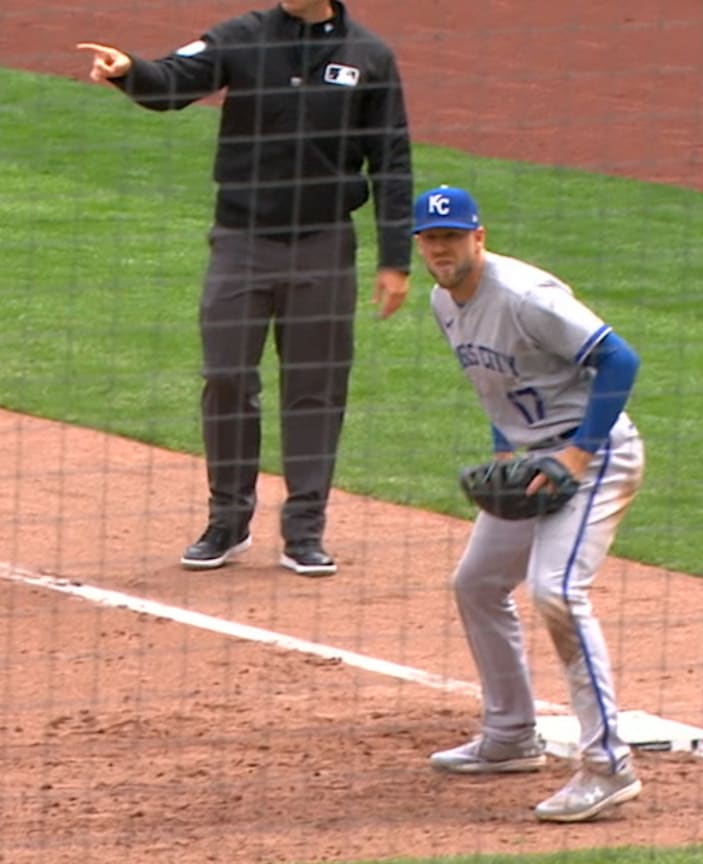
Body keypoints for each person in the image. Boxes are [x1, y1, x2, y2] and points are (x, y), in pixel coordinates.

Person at [77, 0, 413, 577]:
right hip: (241, 240)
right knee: (227, 377)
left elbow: (392, 160)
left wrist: (395, 258)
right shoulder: (242, 36)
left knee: (316, 387)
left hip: (323, 243)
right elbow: (175, 81)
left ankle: (305, 531)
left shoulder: (370, 56)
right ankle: (227, 520)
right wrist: (130, 70)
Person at [413, 185, 645, 822]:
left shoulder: (524, 296)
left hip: (595, 457)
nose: (442, 249)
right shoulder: (442, 302)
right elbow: (501, 384)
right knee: (478, 583)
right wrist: (506, 450)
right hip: (535, 464)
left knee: (557, 591)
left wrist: (577, 453)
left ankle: (608, 767)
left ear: (478, 237)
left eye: (453, 237)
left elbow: (620, 359)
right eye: (431, 239)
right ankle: (511, 736)